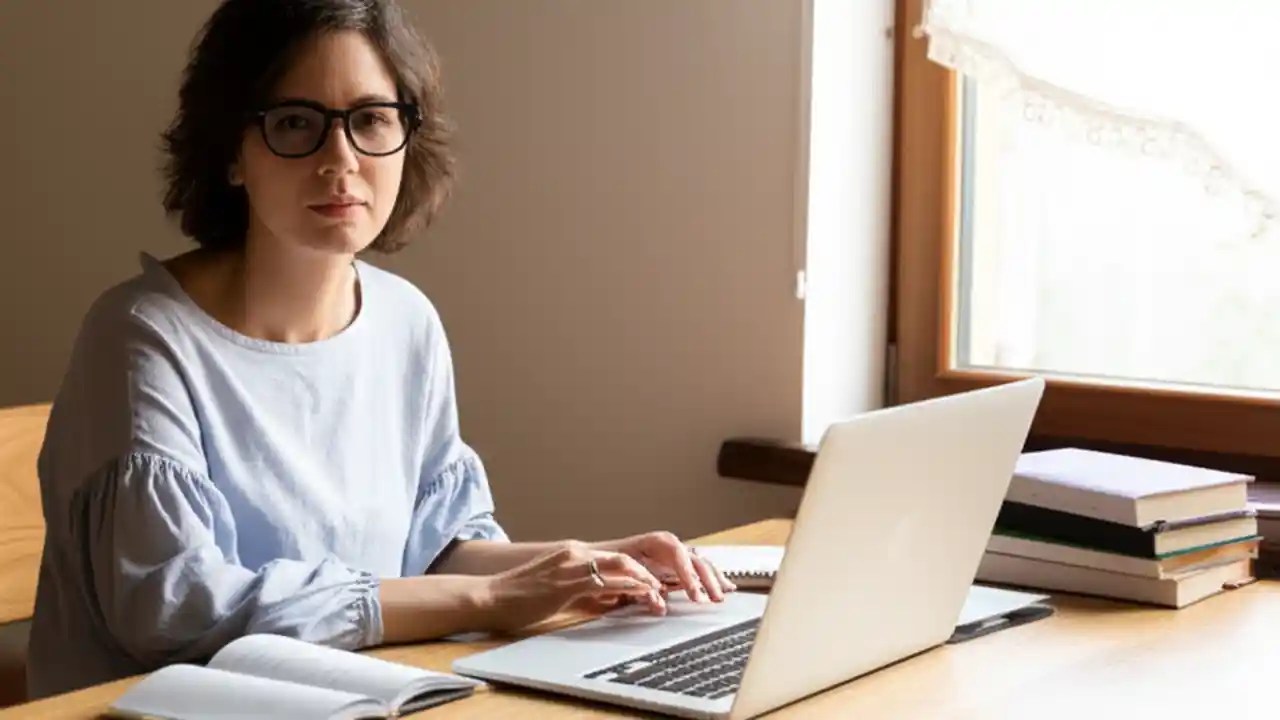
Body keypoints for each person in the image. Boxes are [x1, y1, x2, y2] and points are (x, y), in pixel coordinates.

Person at [26, 0, 732, 700]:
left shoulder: (405, 321)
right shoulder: (142, 337)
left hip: (367, 700)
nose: (342, 159)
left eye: (370, 120)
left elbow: (439, 549)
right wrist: (486, 599)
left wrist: (594, 562)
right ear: (232, 153)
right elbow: (177, 609)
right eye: (295, 123)